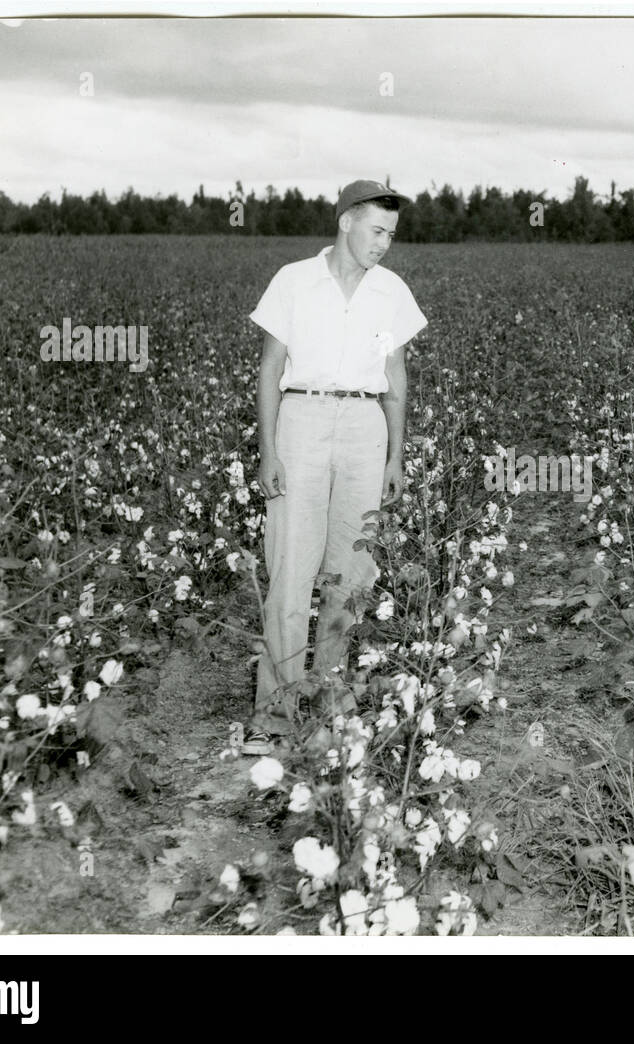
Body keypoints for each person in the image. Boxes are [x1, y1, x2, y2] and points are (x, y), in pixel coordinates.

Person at [243, 180, 428, 754]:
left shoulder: (391, 291)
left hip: (365, 429)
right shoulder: (293, 280)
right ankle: (274, 713)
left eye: (391, 235)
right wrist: (268, 450)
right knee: (291, 567)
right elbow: (270, 371)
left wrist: (396, 454)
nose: (384, 244)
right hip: (301, 420)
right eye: (377, 231)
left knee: (351, 573)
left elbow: (395, 380)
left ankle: (328, 696)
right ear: (346, 222)